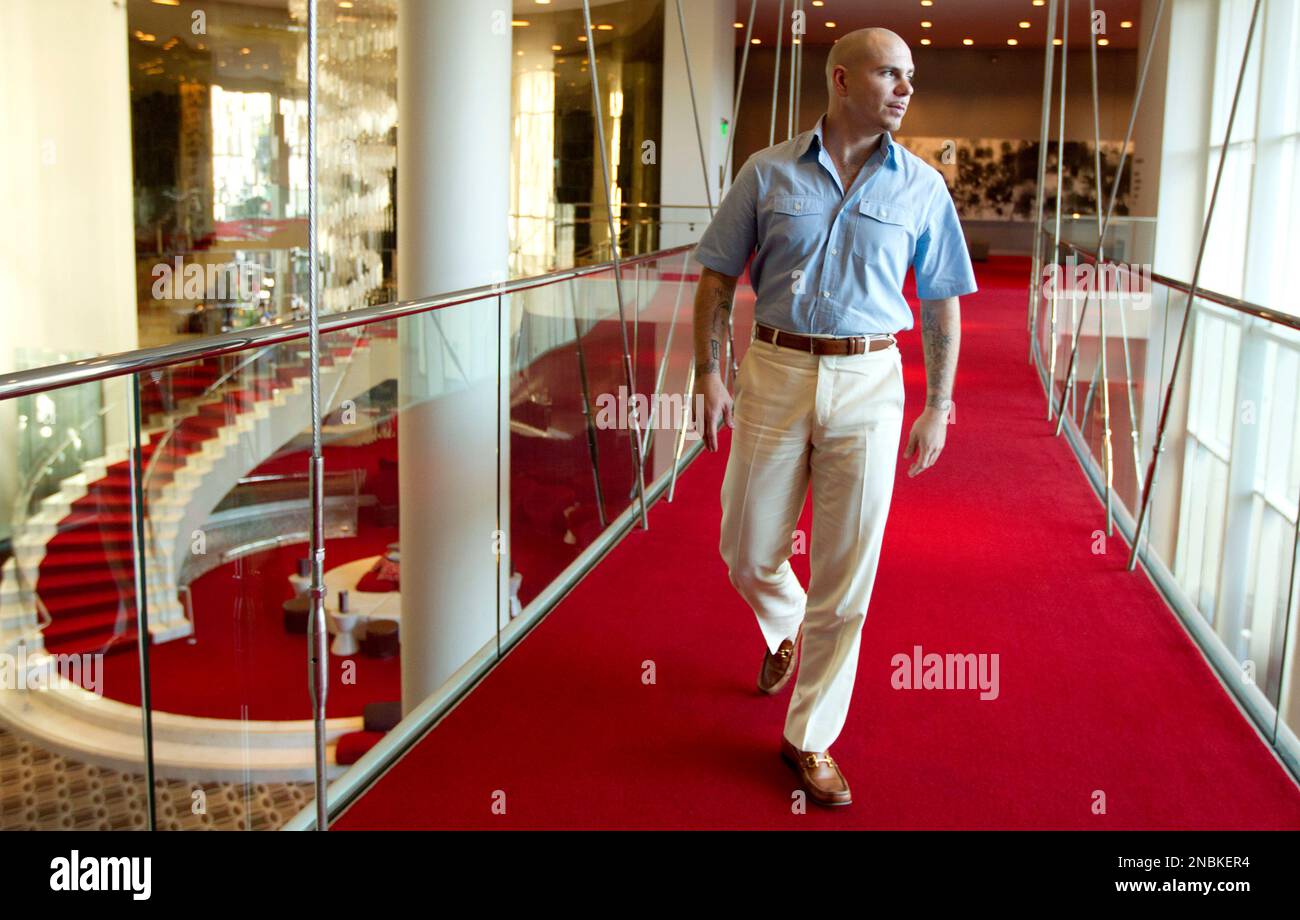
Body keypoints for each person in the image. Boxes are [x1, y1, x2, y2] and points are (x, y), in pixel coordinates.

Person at [692, 27, 977, 807]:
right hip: (775, 368)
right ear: (843, 79)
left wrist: (939, 406)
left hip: (870, 380)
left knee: (848, 578)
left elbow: (943, 306)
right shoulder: (768, 171)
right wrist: (708, 373)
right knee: (745, 550)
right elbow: (717, 279)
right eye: (891, 74)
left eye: (911, 75)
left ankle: (808, 737)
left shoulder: (921, 187)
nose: (905, 88)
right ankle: (784, 622)